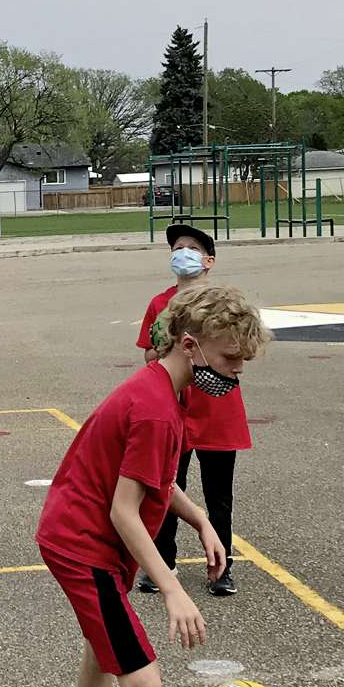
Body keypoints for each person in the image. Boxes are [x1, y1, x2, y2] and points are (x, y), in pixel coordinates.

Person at [37, 284, 267, 687]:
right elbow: (125, 509)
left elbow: (157, 480)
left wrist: (201, 520)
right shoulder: (157, 409)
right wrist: (172, 587)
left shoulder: (165, 391)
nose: (236, 372)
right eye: (230, 359)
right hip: (84, 546)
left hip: (88, 537)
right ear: (190, 346)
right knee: (143, 685)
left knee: (104, 646)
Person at [134, 219, 251, 597]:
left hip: (218, 408)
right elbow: (149, 355)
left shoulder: (226, 306)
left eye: (192, 249)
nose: (182, 254)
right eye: (176, 249)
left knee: (219, 497)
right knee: (166, 489)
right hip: (176, 409)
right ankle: (162, 562)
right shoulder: (160, 304)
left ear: (209, 261)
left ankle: (221, 566)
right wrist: (166, 349)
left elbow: (238, 352)